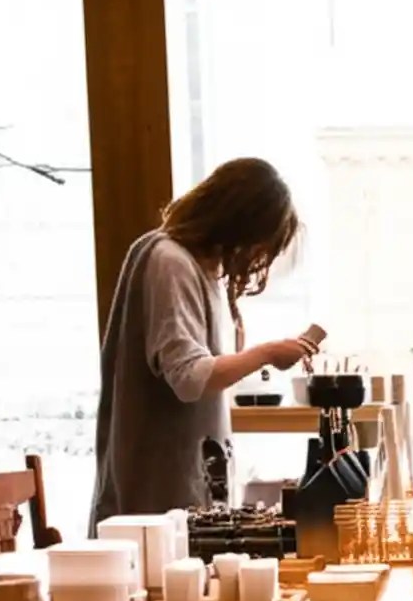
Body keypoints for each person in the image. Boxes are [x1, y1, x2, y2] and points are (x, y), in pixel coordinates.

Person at [90, 157, 312, 530]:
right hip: (158, 503)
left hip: (183, 497)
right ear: (239, 224)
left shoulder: (199, 268)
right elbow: (190, 377)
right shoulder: (169, 261)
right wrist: (267, 353)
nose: (257, 258)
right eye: (260, 244)